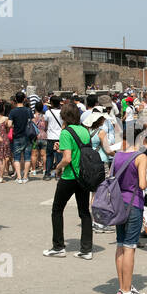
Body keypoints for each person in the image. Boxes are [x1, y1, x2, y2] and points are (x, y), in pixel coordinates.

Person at [43, 101, 94, 259]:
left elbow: (67, 158)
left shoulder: (66, 132)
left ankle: (58, 246)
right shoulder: (85, 131)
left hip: (70, 176)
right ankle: (86, 249)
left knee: (57, 210)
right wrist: (62, 148)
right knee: (84, 212)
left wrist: (57, 168)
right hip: (83, 175)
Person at [109, 119, 147, 294]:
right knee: (130, 246)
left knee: (120, 244)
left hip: (118, 203)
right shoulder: (140, 157)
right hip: (133, 203)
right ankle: (126, 291)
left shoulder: (117, 155)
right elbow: (142, 184)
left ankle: (122, 285)